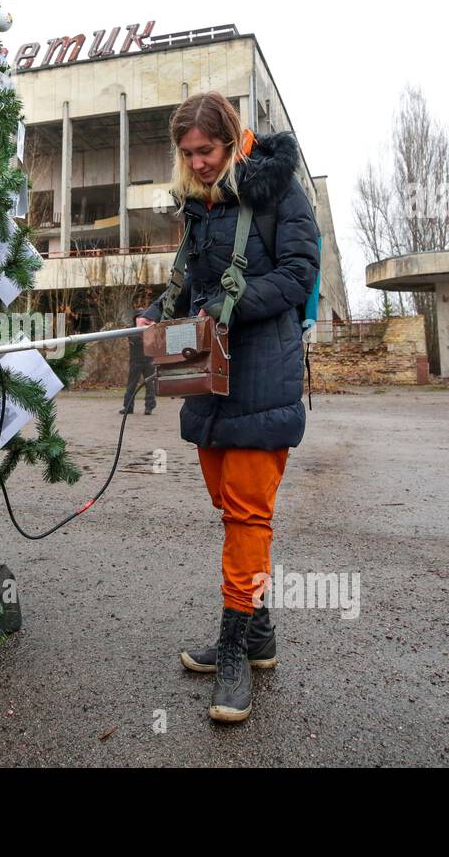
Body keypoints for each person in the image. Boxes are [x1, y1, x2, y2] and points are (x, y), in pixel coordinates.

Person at [138, 92, 319, 724]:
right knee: (228, 505)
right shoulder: (198, 205)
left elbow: (299, 275)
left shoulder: (279, 190)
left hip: (264, 370)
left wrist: (231, 304)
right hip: (207, 377)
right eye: (188, 154)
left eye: (206, 151)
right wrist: (158, 313)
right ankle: (260, 630)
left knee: (247, 513)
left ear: (232, 139)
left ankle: (236, 652)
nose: (198, 162)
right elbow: (192, 283)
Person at [119, 301, 156, 416]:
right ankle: (128, 407)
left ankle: (149, 408)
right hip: (135, 362)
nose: (141, 319)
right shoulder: (131, 329)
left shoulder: (150, 329)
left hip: (149, 360)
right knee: (131, 385)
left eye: (142, 317)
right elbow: (135, 340)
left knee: (150, 385)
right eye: (139, 317)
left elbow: (154, 342)